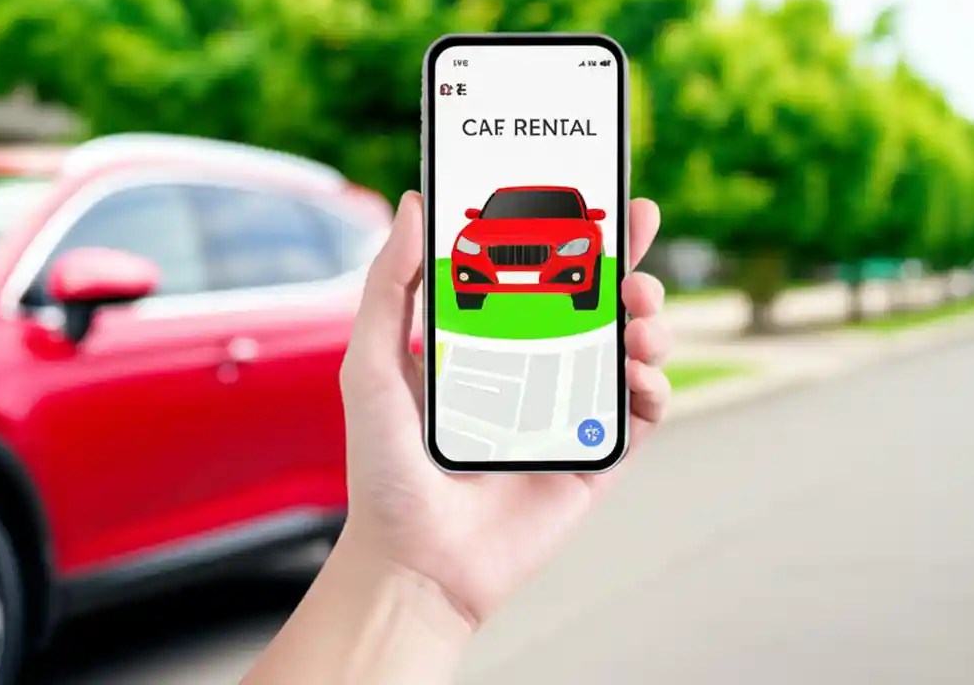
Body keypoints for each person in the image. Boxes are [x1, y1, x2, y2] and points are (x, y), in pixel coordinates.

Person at [243, 192, 671, 684]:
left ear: (591, 219)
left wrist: (411, 579)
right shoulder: (477, 231)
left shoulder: (581, 228)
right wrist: (403, 569)